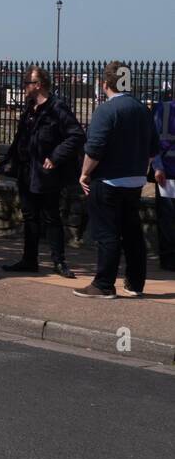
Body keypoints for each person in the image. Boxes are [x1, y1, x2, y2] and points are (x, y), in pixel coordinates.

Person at [75, 61, 159, 298]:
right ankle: (135, 284)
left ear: (105, 84)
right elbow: (153, 149)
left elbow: (95, 149)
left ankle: (103, 284)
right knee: (133, 234)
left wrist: (85, 173)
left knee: (107, 234)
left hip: (109, 181)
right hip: (134, 181)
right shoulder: (142, 109)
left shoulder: (106, 110)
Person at [0, 66, 86, 277]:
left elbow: (76, 135)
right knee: (29, 217)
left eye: (28, 82)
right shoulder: (30, 108)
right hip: (27, 170)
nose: (24, 85)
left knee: (51, 216)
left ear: (39, 85)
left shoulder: (57, 108)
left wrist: (55, 157)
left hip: (46, 173)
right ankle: (29, 260)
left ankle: (59, 262)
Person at [152, 91, 175, 271]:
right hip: (167, 172)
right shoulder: (164, 109)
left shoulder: (162, 109)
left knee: (167, 217)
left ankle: (168, 259)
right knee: (167, 217)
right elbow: (153, 141)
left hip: (166, 170)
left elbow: (154, 141)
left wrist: (158, 166)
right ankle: (168, 259)